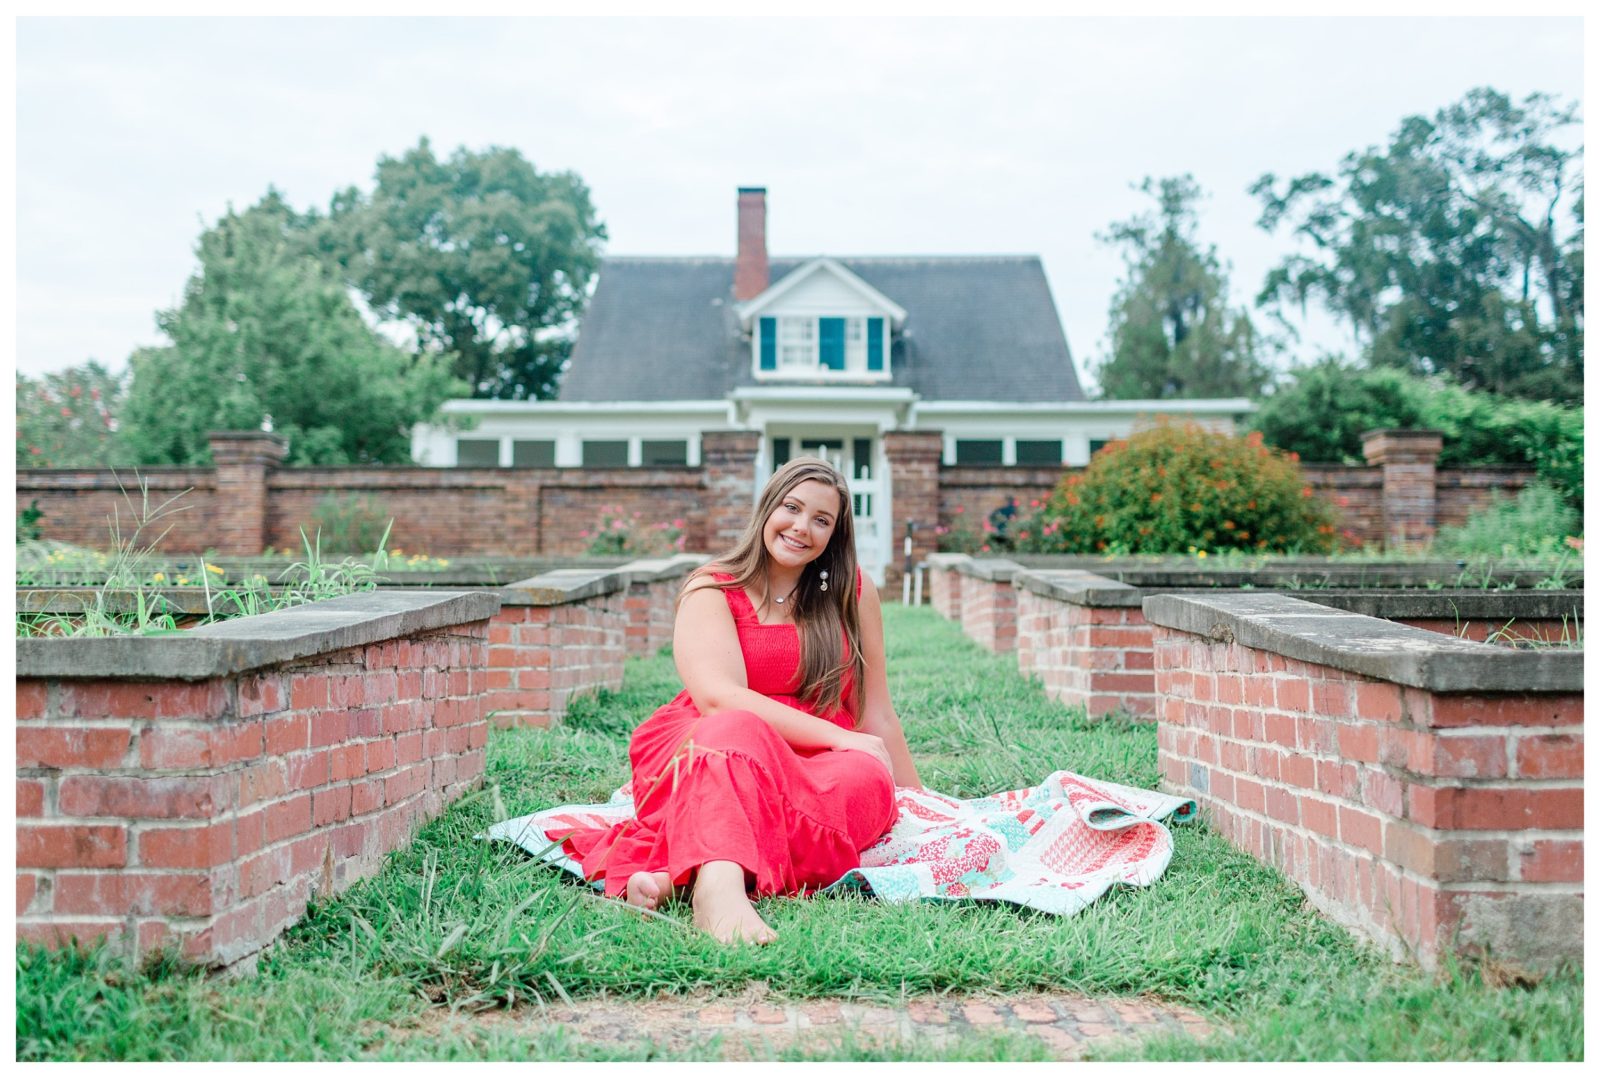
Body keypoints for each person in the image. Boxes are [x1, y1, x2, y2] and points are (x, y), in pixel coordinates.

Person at [559, 457, 921, 945]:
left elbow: (876, 709)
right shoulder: (714, 585)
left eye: (821, 520)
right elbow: (717, 698)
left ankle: (682, 875)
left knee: (862, 778)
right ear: (767, 508)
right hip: (714, 741)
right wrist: (840, 736)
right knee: (737, 729)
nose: (801, 528)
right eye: (791, 508)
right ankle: (720, 896)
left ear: (835, 534)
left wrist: (920, 801)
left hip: (812, 759)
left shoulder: (851, 591)